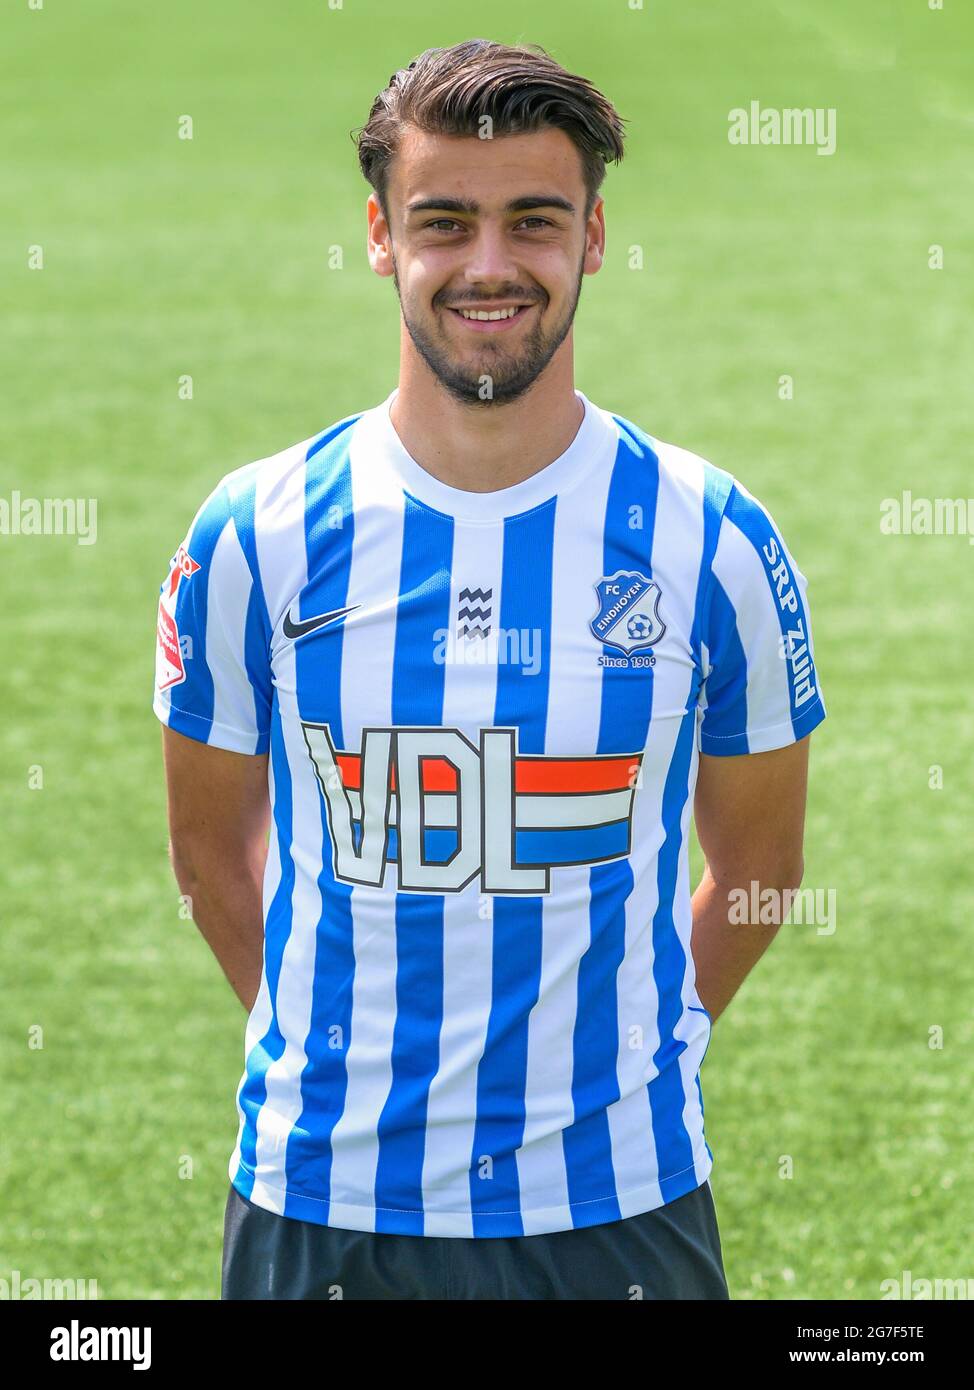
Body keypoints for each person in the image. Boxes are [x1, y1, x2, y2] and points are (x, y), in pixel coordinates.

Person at [154, 38, 826, 1300]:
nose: (487, 265)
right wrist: (323, 1053)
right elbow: (207, 860)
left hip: (617, 1205)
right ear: (377, 233)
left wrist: (643, 1049)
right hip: (321, 1201)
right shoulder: (256, 533)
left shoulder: (710, 537)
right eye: (443, 221)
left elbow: (757, 873)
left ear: (591, 237)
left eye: (532, 220)